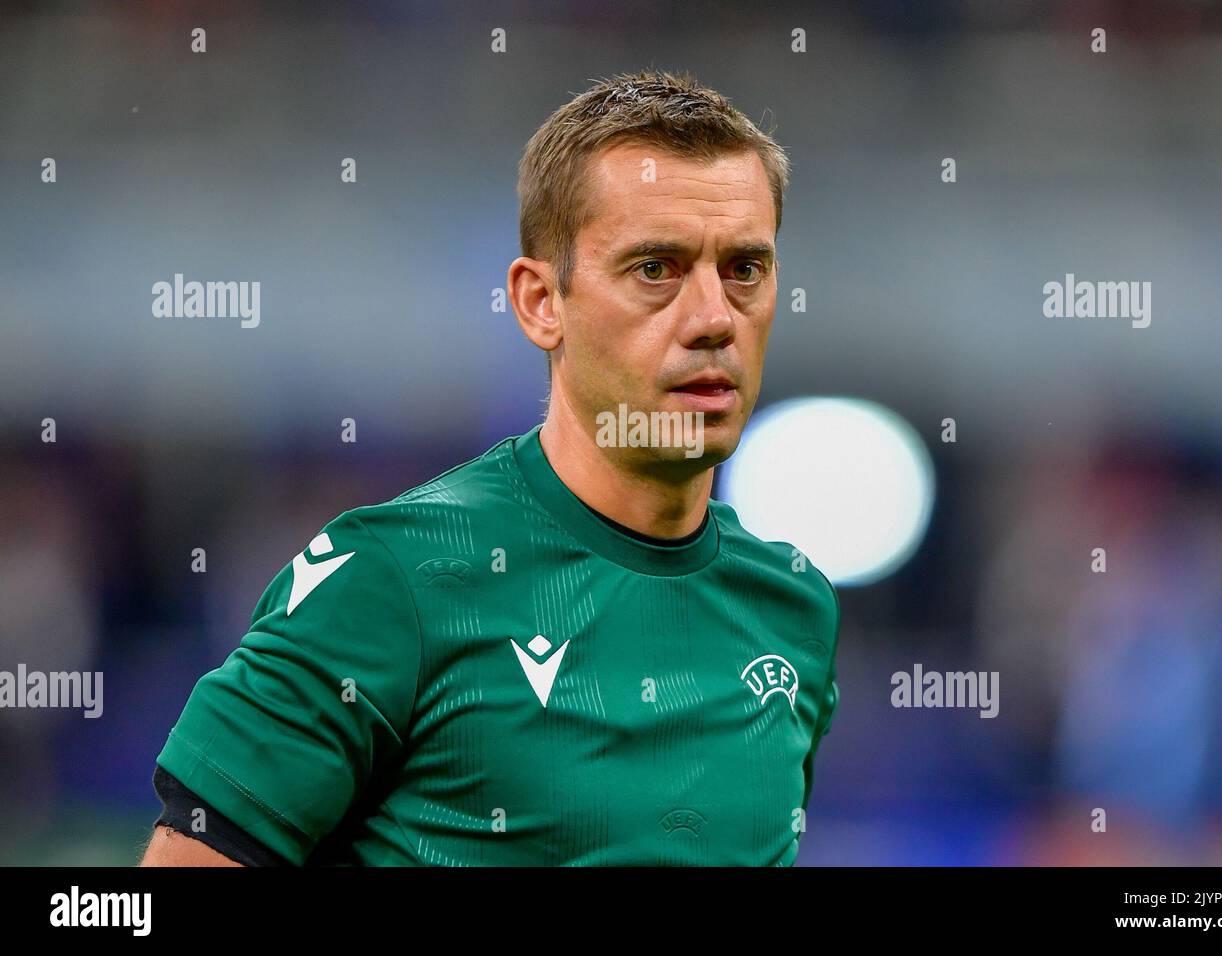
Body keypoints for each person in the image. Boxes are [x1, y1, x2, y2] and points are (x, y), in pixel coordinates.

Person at [140, 69, 839, 866]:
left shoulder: (794, 608)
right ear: (542, 303)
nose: (714, 317)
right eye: (657, 268)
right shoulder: (388, 582)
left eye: (744, 268)